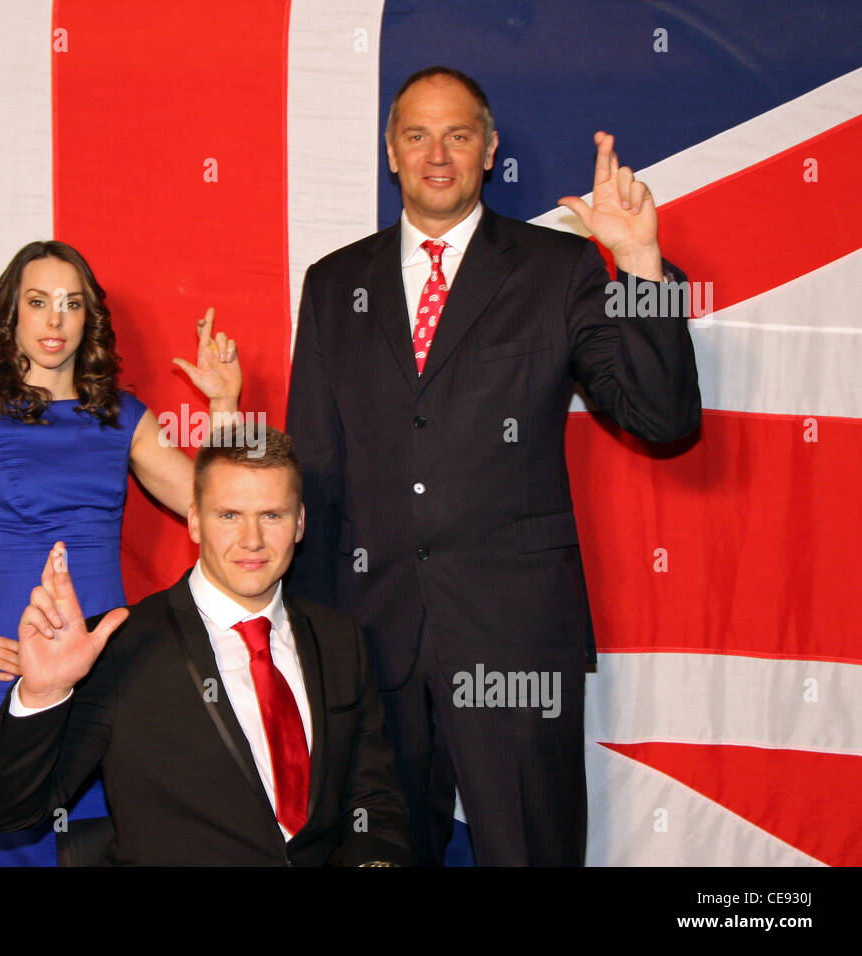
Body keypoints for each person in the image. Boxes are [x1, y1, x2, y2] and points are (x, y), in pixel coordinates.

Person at [285, 66, 702, 866]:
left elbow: (662, 417)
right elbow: (319, 470)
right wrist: (309, 638)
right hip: (374, 640)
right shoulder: (335, 284)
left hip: (514, 638)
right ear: (391, 151)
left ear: (489, 149)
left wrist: (641, 265)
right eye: (417, 135)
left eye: (458, 134)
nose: (437, 153)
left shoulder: (559, 269)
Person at [0, 239, 241, 866]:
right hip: (9, 679)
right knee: (12, 853)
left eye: (71, 303)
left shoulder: (124, 418)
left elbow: (218, 509)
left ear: (89, 317)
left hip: (115, 681)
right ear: (12, 314)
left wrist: (223, 406)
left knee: (117, 852)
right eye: (38, 303)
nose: (55, 319)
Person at [0, 425, 412, 866]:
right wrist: (43, 696)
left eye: (272, 515)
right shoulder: (118, 649)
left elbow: (372, 798)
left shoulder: (340, 639)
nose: (252, 540)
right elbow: (11, 812)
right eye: (229, 515)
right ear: (194, 521)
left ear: (299, 522)